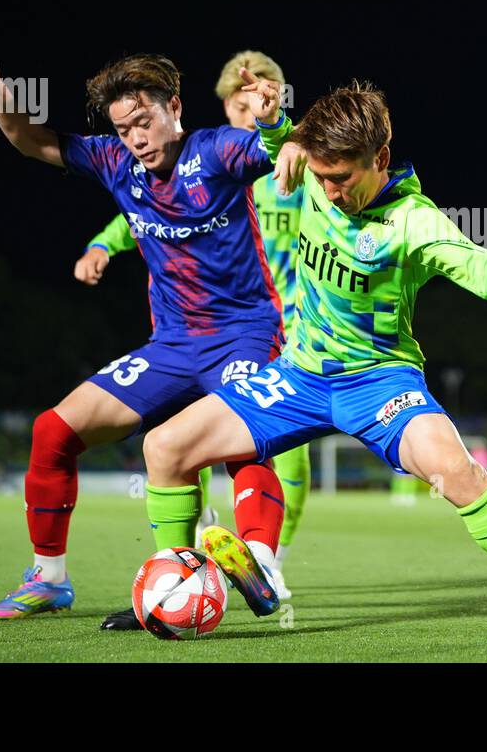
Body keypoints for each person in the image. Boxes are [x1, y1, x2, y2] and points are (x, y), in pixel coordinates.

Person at [138, 79, 487, 639]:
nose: (328, 191)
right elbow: (286, 145)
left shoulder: (414, 222)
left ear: (380, 158)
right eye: (321, 176)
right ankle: (173, 584)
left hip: (379, 383)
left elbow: (482, 273)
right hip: (299, 375)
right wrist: (273, 121)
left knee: (456, 472)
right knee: (165, 446)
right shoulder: (310, 174)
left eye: (342, 178)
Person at [0, 47, 300, 624]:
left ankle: (261, 565)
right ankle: (50, 579)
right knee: (52, 431)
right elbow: (27, 138)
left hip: (244, 334)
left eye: (143, 122)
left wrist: (273, 121)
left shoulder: (214, 150)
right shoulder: (114, 162)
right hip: (171, 345)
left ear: (174, 107)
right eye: (123, 129)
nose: (135, 138)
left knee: (242, 444)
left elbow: (278, 152)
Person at [73, 50, 311, 610]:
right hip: (200, 330)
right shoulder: (214, 162)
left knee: (266, 450)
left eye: (262, 96)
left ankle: (266, 561)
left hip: (283, 327)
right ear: (227, 106)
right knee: (187, 441)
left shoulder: (292, 168)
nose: (250, 106)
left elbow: (339, 200)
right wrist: (104, 243)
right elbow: (147, 211)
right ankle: (221, 548)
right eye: (238, 100)